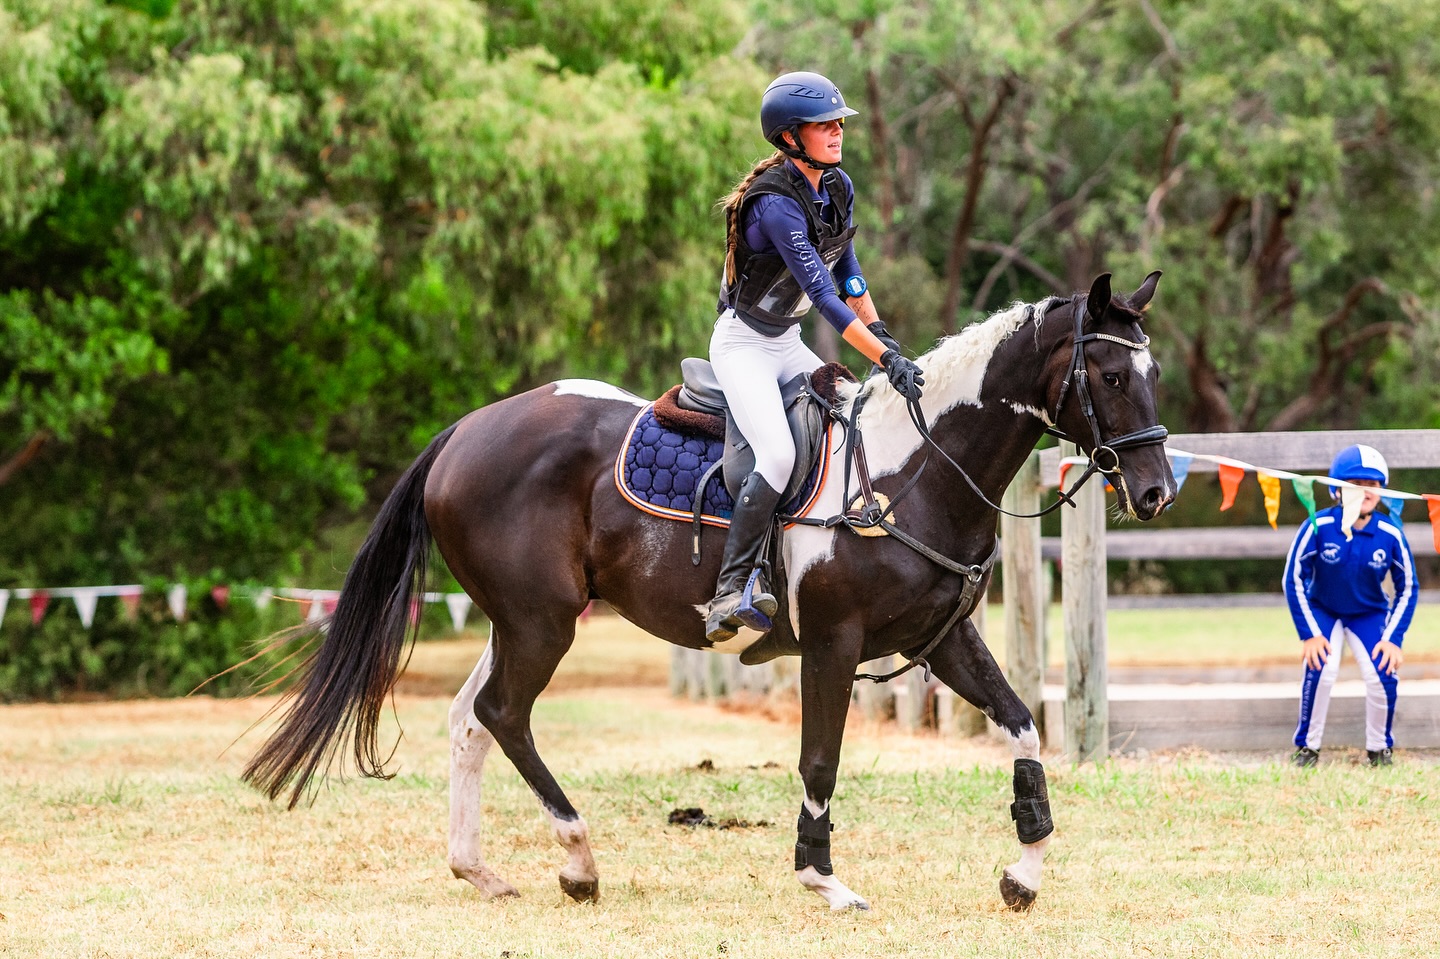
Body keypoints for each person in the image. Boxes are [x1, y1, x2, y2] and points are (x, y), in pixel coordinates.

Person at [703, 71, 925, 643]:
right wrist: (882, 358)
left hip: (785, 343)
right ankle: (731, 589)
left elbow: (849, 275)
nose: (837, 131)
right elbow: (823, 296)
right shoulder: (774, 205)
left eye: (838, 122)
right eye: (824, 124)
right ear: (790, 137)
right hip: (744, 346)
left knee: (857, 417)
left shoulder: (837, 187)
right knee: (776, 456)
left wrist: (884, 339)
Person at [1283, 444, 1416, 767]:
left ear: (1383, 490)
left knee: (1381, 673)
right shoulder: (1318, 525)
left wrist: (1393, 638)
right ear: (1335, 490)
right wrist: (1310, 634)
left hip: (1368, 613)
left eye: (1372, 484)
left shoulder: (1390, 533)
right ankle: (1307, 748)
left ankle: (1379, 748)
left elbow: (1408, 587)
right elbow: (1293, 579)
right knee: (1322, 670)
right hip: (1324, 610)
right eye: (1354, 483)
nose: (1364, 491)